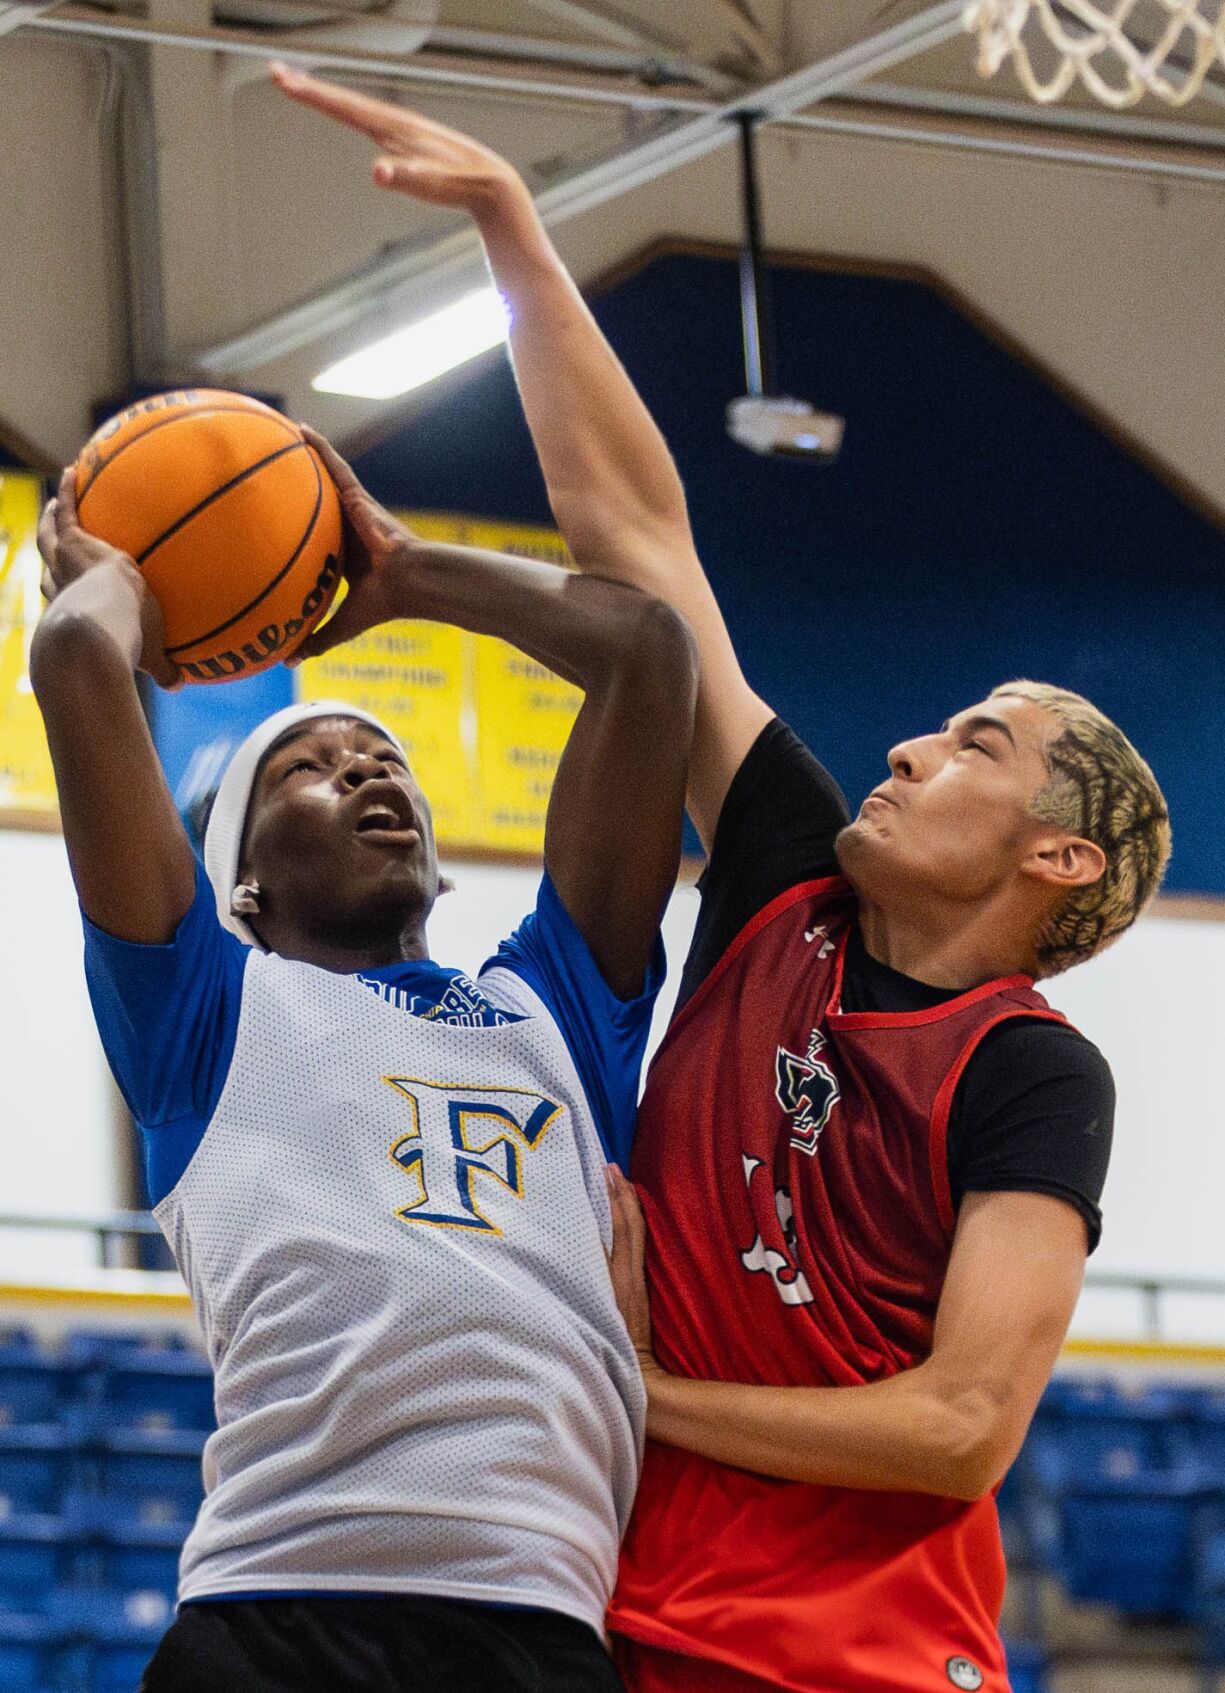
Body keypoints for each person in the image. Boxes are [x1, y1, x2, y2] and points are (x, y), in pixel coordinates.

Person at [270, 68, 1172, 1693]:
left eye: (976, 742)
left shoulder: (1032, 1069)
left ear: (1061, 853)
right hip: (617, 1621)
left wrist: (634, 1370)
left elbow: (960, 1427)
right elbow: (641, 547)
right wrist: (513, 233)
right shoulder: (786, 880)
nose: (908, 746)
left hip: (863, 1659)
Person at [31, 426, 697, 1692]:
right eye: (310, 769)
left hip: (539, 1627)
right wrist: (111, 579)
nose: (364, 771)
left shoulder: (550, 1006)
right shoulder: (205, 1011)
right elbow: (75, 658)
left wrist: (403, 576)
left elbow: (644, 653)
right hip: (279, 1614)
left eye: (381, 761)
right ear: (240, 881)